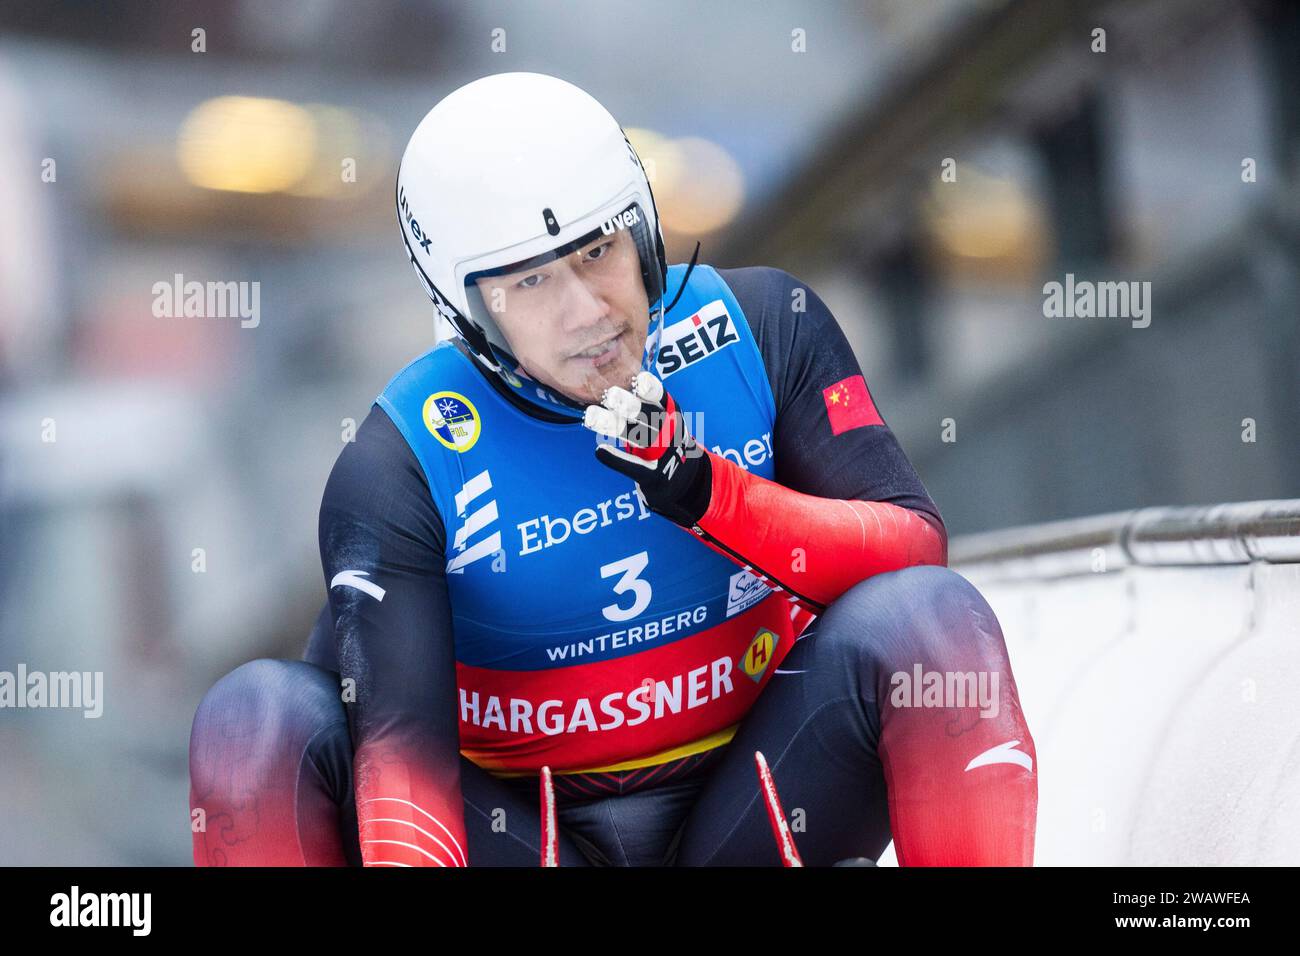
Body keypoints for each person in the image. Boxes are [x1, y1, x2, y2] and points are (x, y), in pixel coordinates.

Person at [189, 71, 1038, 867]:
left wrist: (707, 493)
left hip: (757, 803)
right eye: (529, 285)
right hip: (528, 832)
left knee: (931, 623)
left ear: (644, 230)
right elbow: (404, 780)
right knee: (253, 721)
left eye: (599, 252)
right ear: (468, 310)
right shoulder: (398, 461)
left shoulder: (765, 323)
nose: (587, 312)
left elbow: (914, 558)